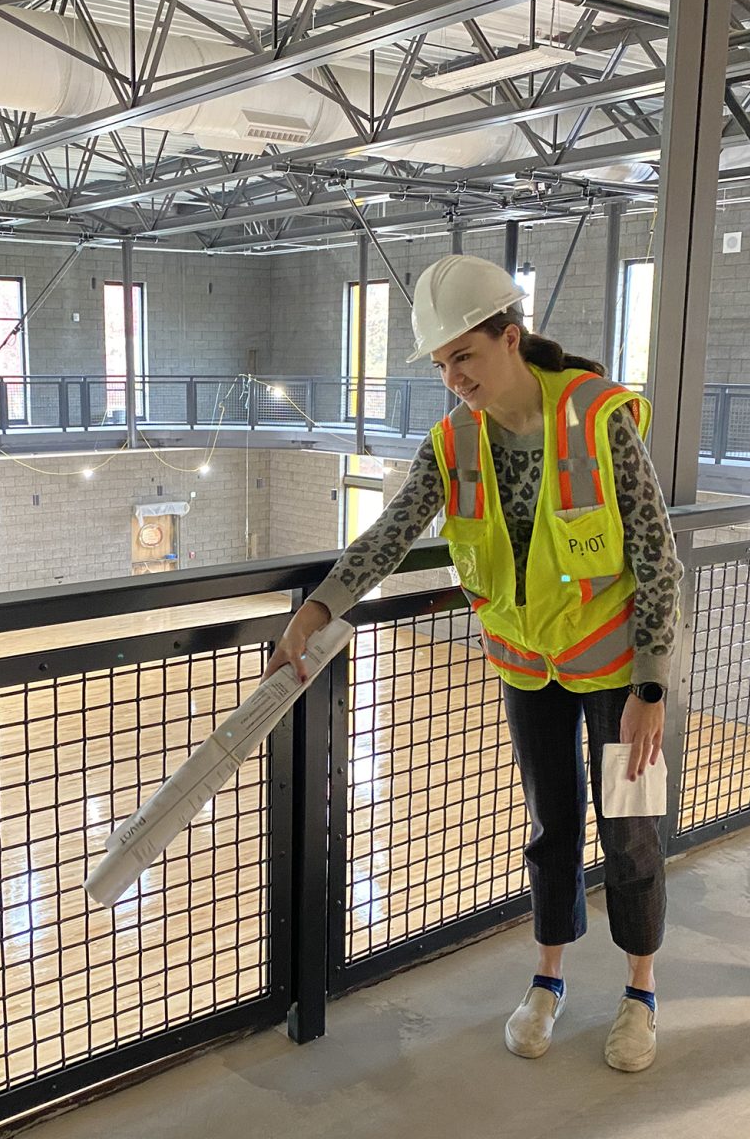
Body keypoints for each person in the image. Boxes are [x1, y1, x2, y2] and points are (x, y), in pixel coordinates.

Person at [268, 254, 682, 1072]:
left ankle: (640, 993)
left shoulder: (599, 418)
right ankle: (548, 979)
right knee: (551, 827)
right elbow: (392, 532)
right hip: (528, 670)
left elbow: (657, 555)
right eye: (442, 363)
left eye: (466, 356)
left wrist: (652, 686)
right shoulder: (452, 442)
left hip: (621, 675)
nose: (455, 377)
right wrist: (320, 605)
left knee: (632, 834)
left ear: (511, 338)